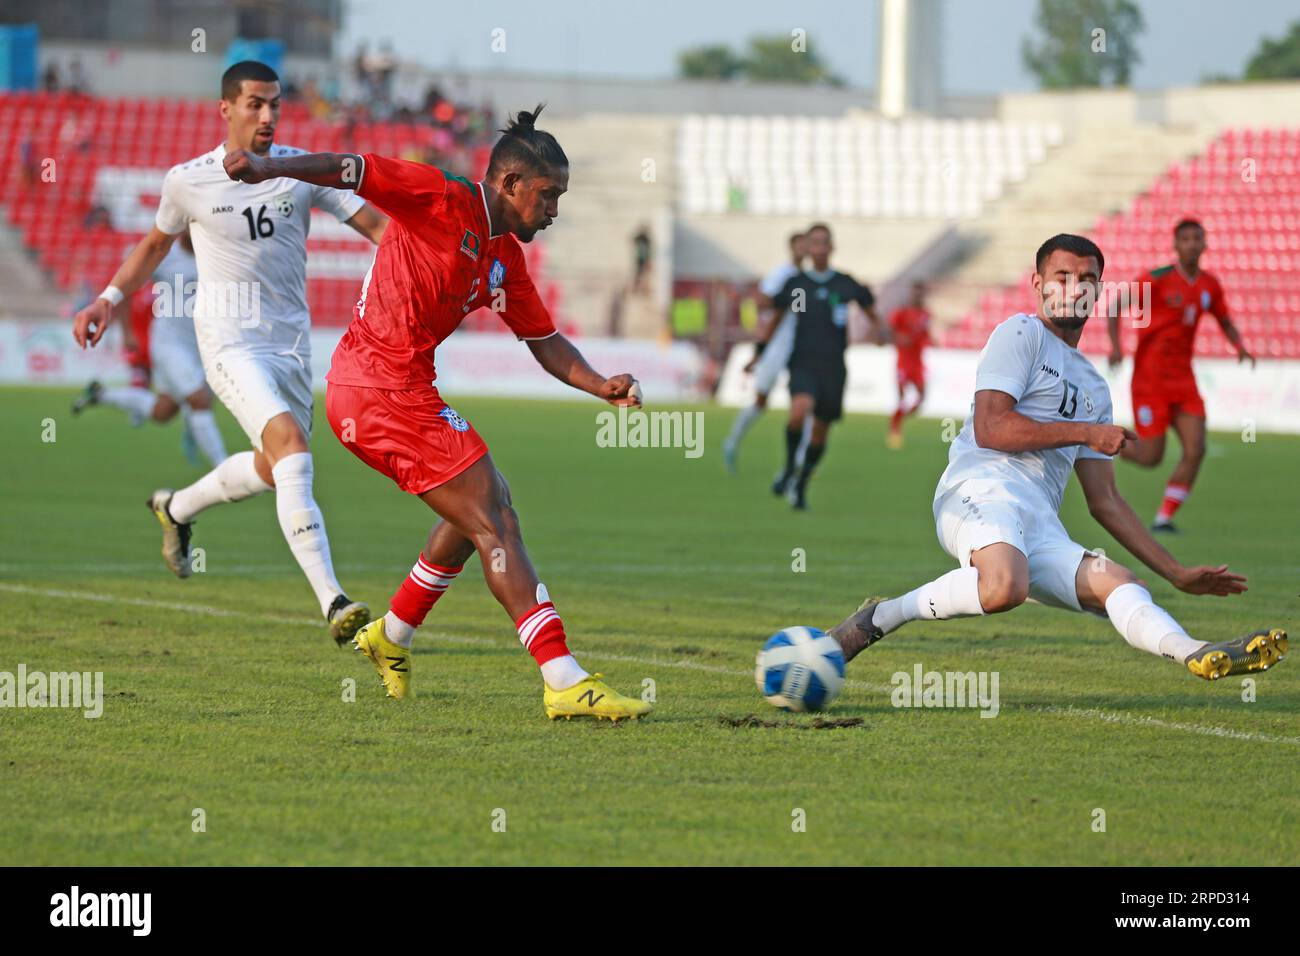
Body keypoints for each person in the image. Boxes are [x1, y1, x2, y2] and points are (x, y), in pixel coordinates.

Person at [222, 104, 652, 721]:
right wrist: (266, 165)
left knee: (480, 506)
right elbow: (350, 168)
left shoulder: (505, 257)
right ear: (509, 184)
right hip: (374, 390)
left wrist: (599, 384)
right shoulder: (438, 196)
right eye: (548, 195)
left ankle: (391, 636)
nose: (554, 210)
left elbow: (544, 342)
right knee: (495, 520)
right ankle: (562, 678)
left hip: (402, 391)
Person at [826, 234, 1284, 683]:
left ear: (1099, 292)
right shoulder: (1020, 333)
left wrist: (1176, 572)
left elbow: (1105, 501)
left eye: (1087, 278)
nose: (1074, 287)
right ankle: (882, 616)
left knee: (1120, 584)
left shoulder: (1094, 387)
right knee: (1004, 586)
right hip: (979, 491)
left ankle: (1196, 651)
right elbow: (992, 428)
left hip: (1039, 522)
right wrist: (1086, 432)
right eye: (1061, 276)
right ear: (1038, 284)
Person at [71, 61, 389, 646]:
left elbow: (376, 226)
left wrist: (426, 262)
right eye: (254, 104)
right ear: (226, 109)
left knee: (273, 468)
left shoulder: (300, 172)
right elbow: (153, 244)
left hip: (290, 347)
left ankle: (177, 508)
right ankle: (334, 600)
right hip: (228, 343)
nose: (267, 115)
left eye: (274, 104)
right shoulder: (187, 180)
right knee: (292, 451)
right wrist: (106, 300)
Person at [1108, 219, 1255, 533]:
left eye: (1196, 238)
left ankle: (1164, 517)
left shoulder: (1209, 285)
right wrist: (1116, 347)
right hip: (1150, 381)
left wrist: (1239, 345)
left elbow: (1224, 319)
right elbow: (1116, 305)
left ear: (1204, 244)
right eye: (1185, 239)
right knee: (1150, 457)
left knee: (1196, 448)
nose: (1191, 244)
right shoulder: (1158, 278)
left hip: (1184, 381)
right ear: (1176, 245)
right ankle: (1107, 444)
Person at [72, 230, 228, 467]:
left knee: (163, 410)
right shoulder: (165, 254)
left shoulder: (215, 254)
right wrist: (127, 331)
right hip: (170, 345)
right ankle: (224, 468)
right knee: (199, 399)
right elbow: (127, 283)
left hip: (202, 345)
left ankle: (101, 395)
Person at [767, 223, 881, 510]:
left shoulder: (844, 283)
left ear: (831, 248)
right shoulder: (797, 285)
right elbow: (777, 316)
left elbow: (869, 309)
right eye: (813, 243)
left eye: (823, 243)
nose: (818, 248)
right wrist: (760, 350)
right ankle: (791, 465)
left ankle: (801, 482)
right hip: (803, 360)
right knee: (798, 412)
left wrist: (878, 331)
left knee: (820, 431)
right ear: (808, 248)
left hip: (833, 366)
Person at [724, 230, 807, 474]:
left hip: (800, 345)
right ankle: (732, 442)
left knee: (804, 403)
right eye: (800, 244)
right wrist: (782, 303)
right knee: (761, 400)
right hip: (778, 343)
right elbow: (761, 300)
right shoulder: (782, 274)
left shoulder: (806, 277)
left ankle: (797, 462)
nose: (804, 249)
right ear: (792, 247)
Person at [886, 280, 933, 449]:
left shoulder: (926, 315)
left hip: (918, 363)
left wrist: (931, 340)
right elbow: (891, 332)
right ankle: (895, 429)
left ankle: (900, 418)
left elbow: (926, 334)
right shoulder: (901, 313)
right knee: (901, 398)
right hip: (903, 363)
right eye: (915, 292)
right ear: (911, 294)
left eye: (920, 292)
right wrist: (900, 339)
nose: (918, 296)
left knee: (921, 398)